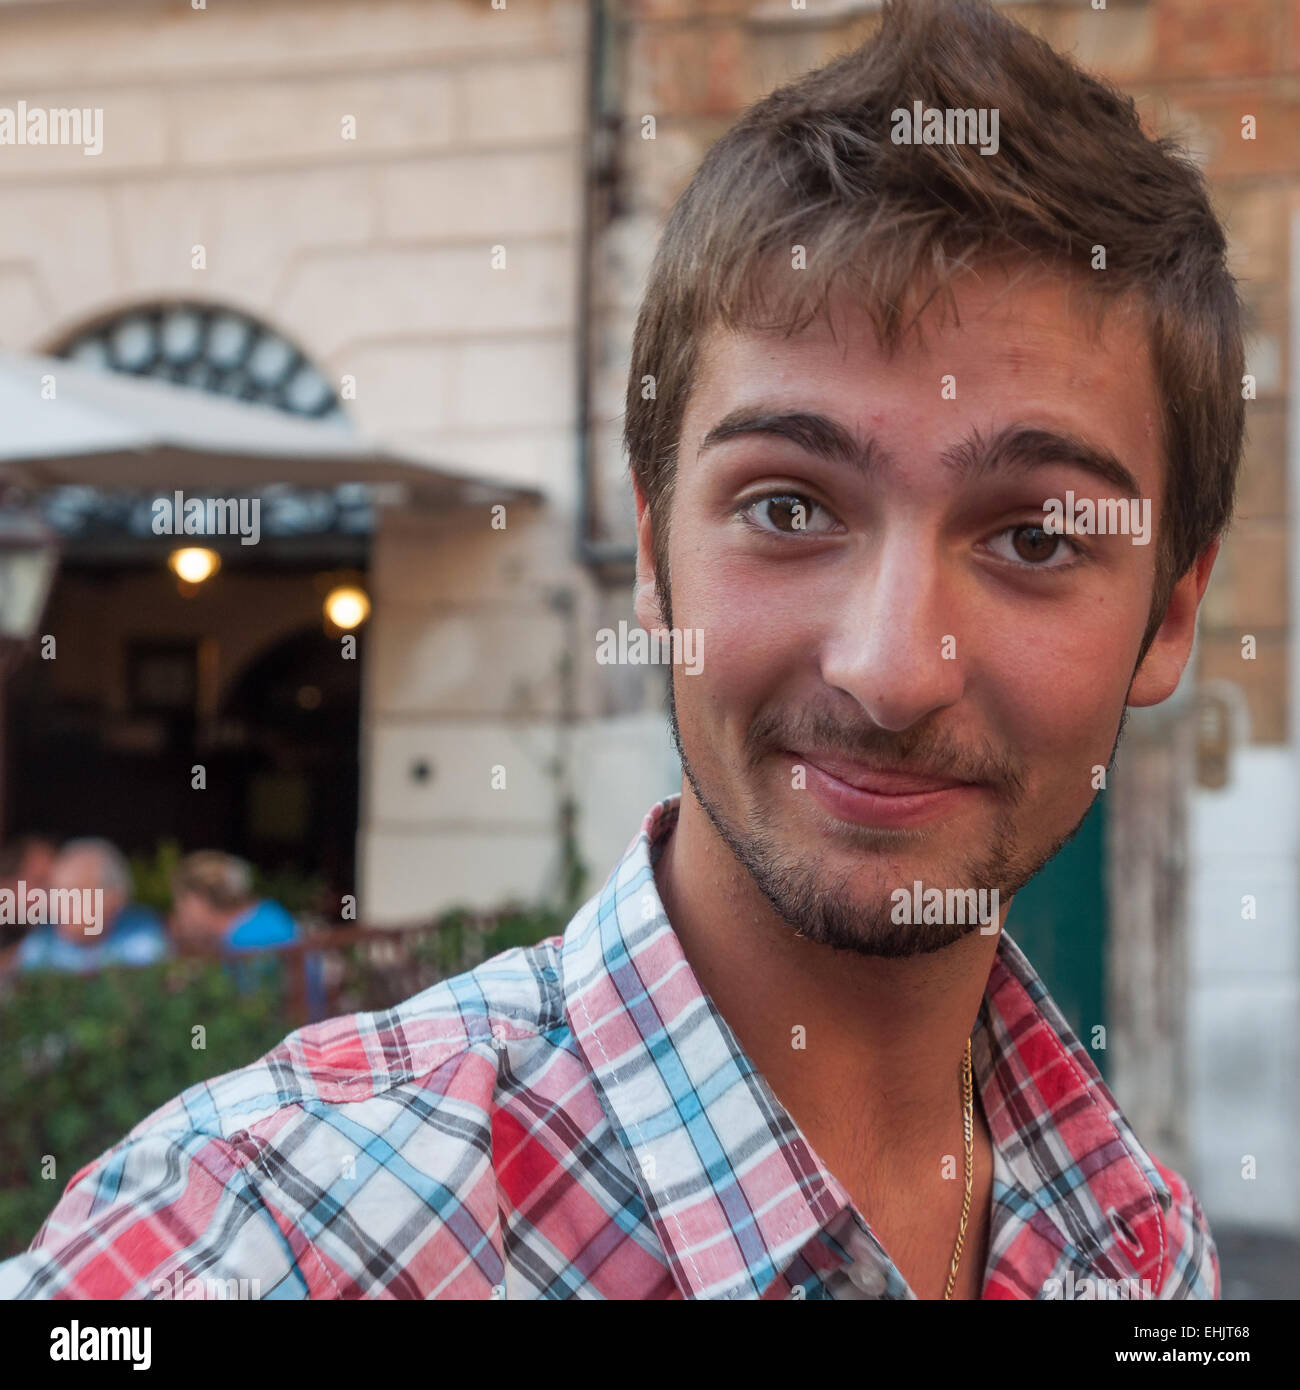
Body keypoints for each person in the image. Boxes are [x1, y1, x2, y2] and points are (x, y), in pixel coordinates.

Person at [0, 0, 1232, 1298]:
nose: (890, 668)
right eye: (788, 508)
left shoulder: (1144, 1250)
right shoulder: (259, 1234)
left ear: (1170, 615)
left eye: (1035, 537)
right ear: (651, 556)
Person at [168, 850, 324, 1016]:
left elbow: (245, 1018)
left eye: (181, 901)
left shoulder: (244, 944)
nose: (178, 912)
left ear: (199, 898)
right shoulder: (269, 913)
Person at [14, 838, 168, 974]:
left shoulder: (144, 941)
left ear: (114, 899)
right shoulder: (39, 945)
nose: (57, 906)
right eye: (54, 893)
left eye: (73, 896)